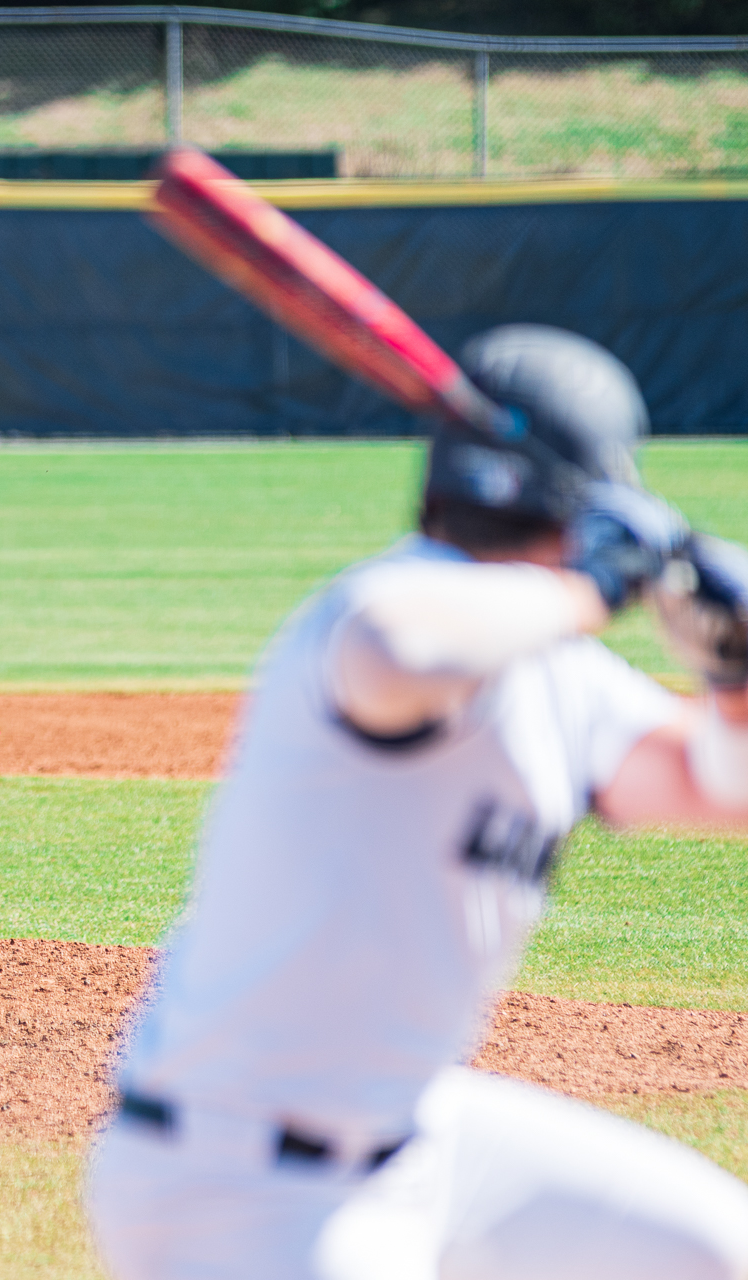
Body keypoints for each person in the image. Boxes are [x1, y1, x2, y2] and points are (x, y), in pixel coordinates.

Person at [85, 326, 748, 1279]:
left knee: (714, 1250)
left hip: (414, 1130)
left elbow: (719, 788)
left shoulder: (563, 674)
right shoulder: (381, 607)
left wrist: (732, 672)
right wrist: (596, 585)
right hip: (232, 1188)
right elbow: (402, 653)